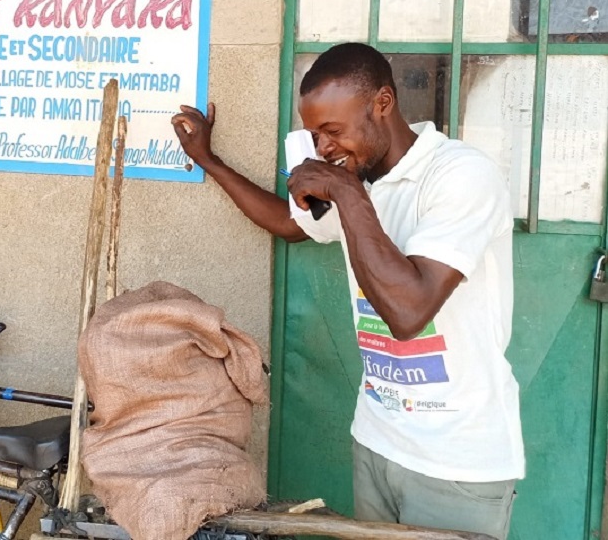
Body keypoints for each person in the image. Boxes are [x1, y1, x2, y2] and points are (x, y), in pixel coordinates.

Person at [172, 42, 523, 539]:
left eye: (333, 131)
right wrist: (210, 161)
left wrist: (347, 192)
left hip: (456, 459)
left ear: (383, 102)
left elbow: (409, 312)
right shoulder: (358, 178)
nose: (323, 147)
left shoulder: (461, 175)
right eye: (314, 133)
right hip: (379, 440)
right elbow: (287, 223)